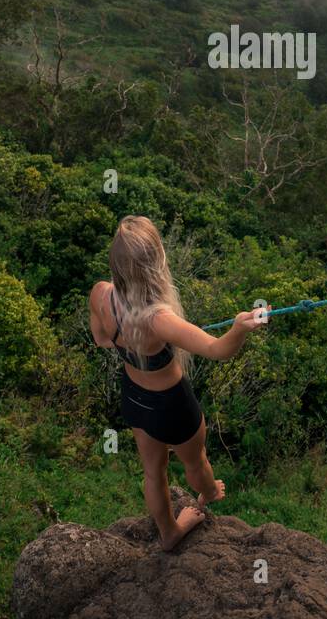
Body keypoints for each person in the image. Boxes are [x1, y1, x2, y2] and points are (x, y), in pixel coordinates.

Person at [89, 215, 266, 551]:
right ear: (156, 265)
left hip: (134, 399)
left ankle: (168, 531)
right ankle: (210, 491)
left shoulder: (100, 294)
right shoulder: (159, 319)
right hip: (172, 406)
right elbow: (217, 350)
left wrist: (132, 341)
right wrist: (240, 328)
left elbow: (101, 339)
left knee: (154, 473)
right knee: (195, 461)